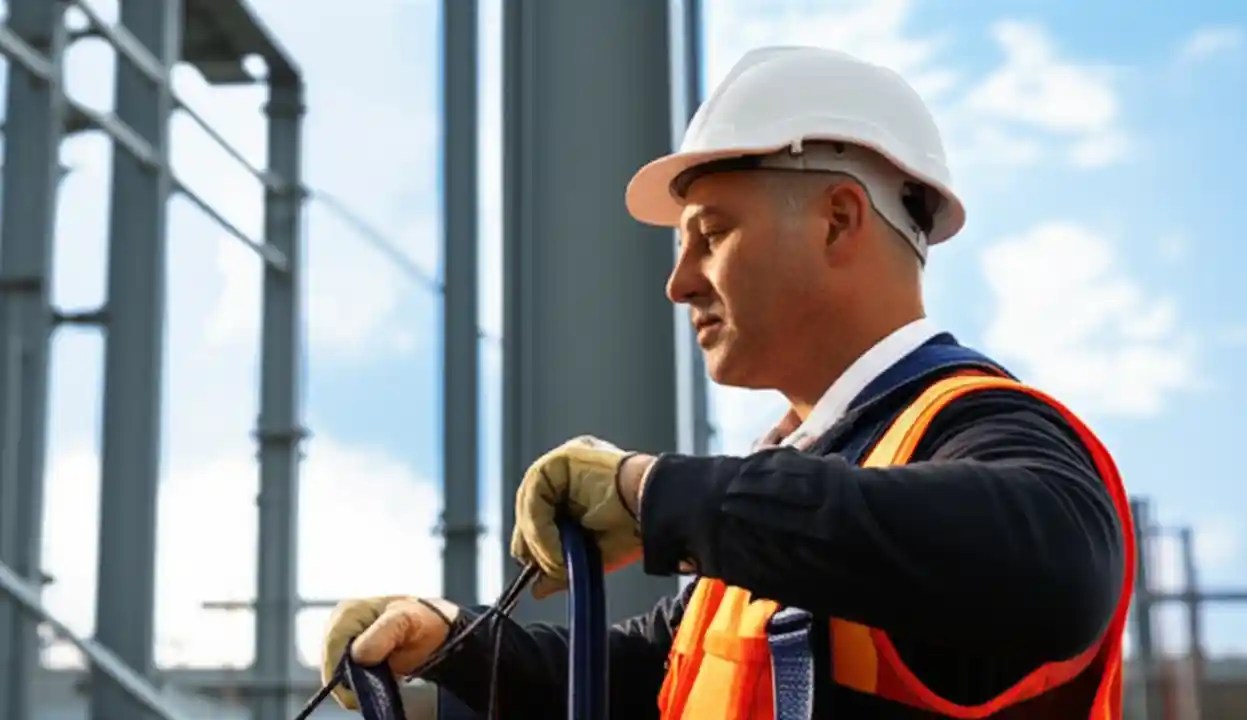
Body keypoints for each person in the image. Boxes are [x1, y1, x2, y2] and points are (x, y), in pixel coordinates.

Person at [320, 46, 1134, 719]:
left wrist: (655, 491)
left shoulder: (981, 429)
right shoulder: (819, 485)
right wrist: (454, 640)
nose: (678, 284)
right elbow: (651, 672)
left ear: (839, 221)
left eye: (710, 235)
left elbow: (1057, 566)